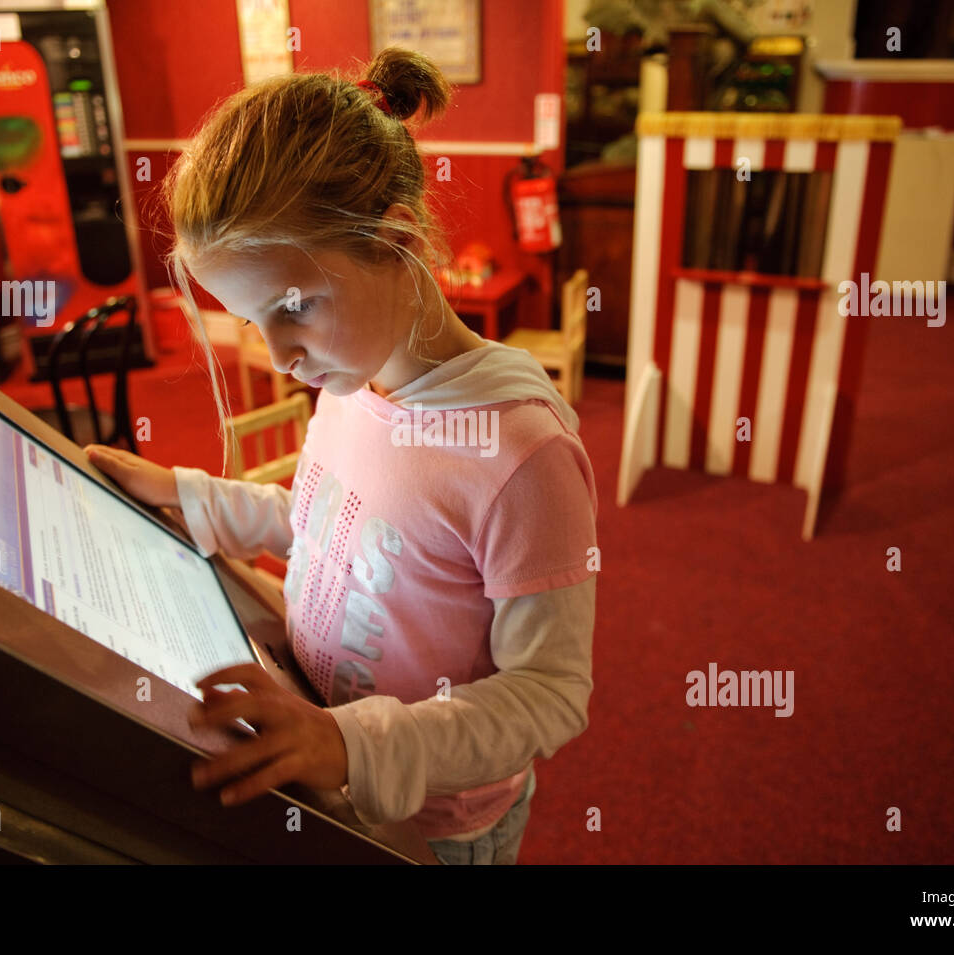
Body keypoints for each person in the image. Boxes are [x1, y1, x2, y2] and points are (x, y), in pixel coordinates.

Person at [85, 47, 597, 865]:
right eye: (255, 324)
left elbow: (550, 693)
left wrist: (353, 745)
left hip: (436, 823)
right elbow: (329, 524)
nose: (281, 354)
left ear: (394, 241)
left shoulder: (522, 456)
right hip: (326, 755)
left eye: (295, 307)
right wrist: (193, 496)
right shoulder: (349, 378)